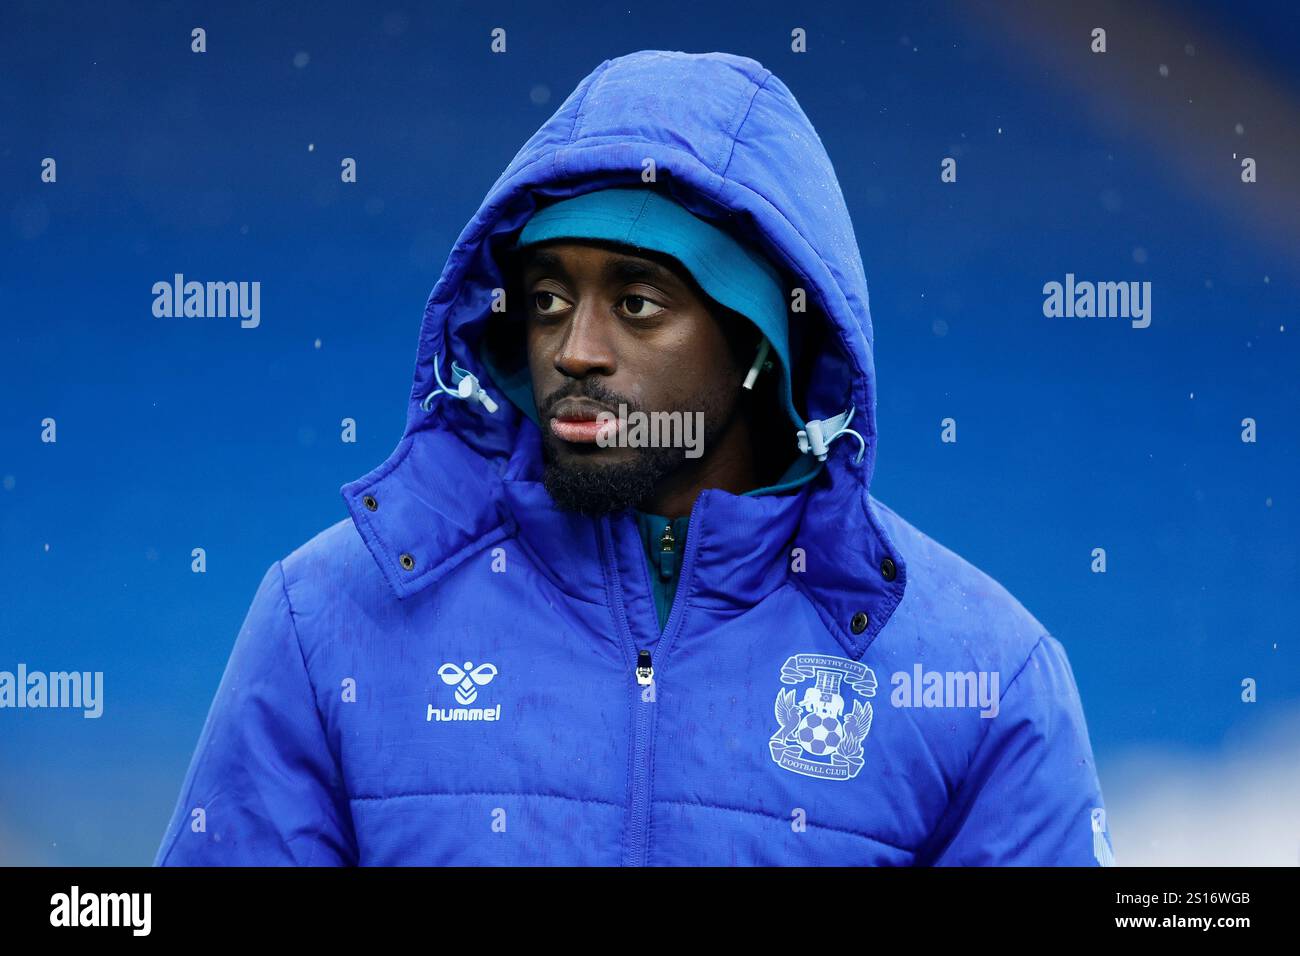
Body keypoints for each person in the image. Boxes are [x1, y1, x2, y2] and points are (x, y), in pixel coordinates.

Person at [155, 49, 1112, 866]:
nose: (575, 349)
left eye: (638, 302)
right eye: (547, 299)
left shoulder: (986, 678)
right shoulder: (327, 619)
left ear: (756, 348)